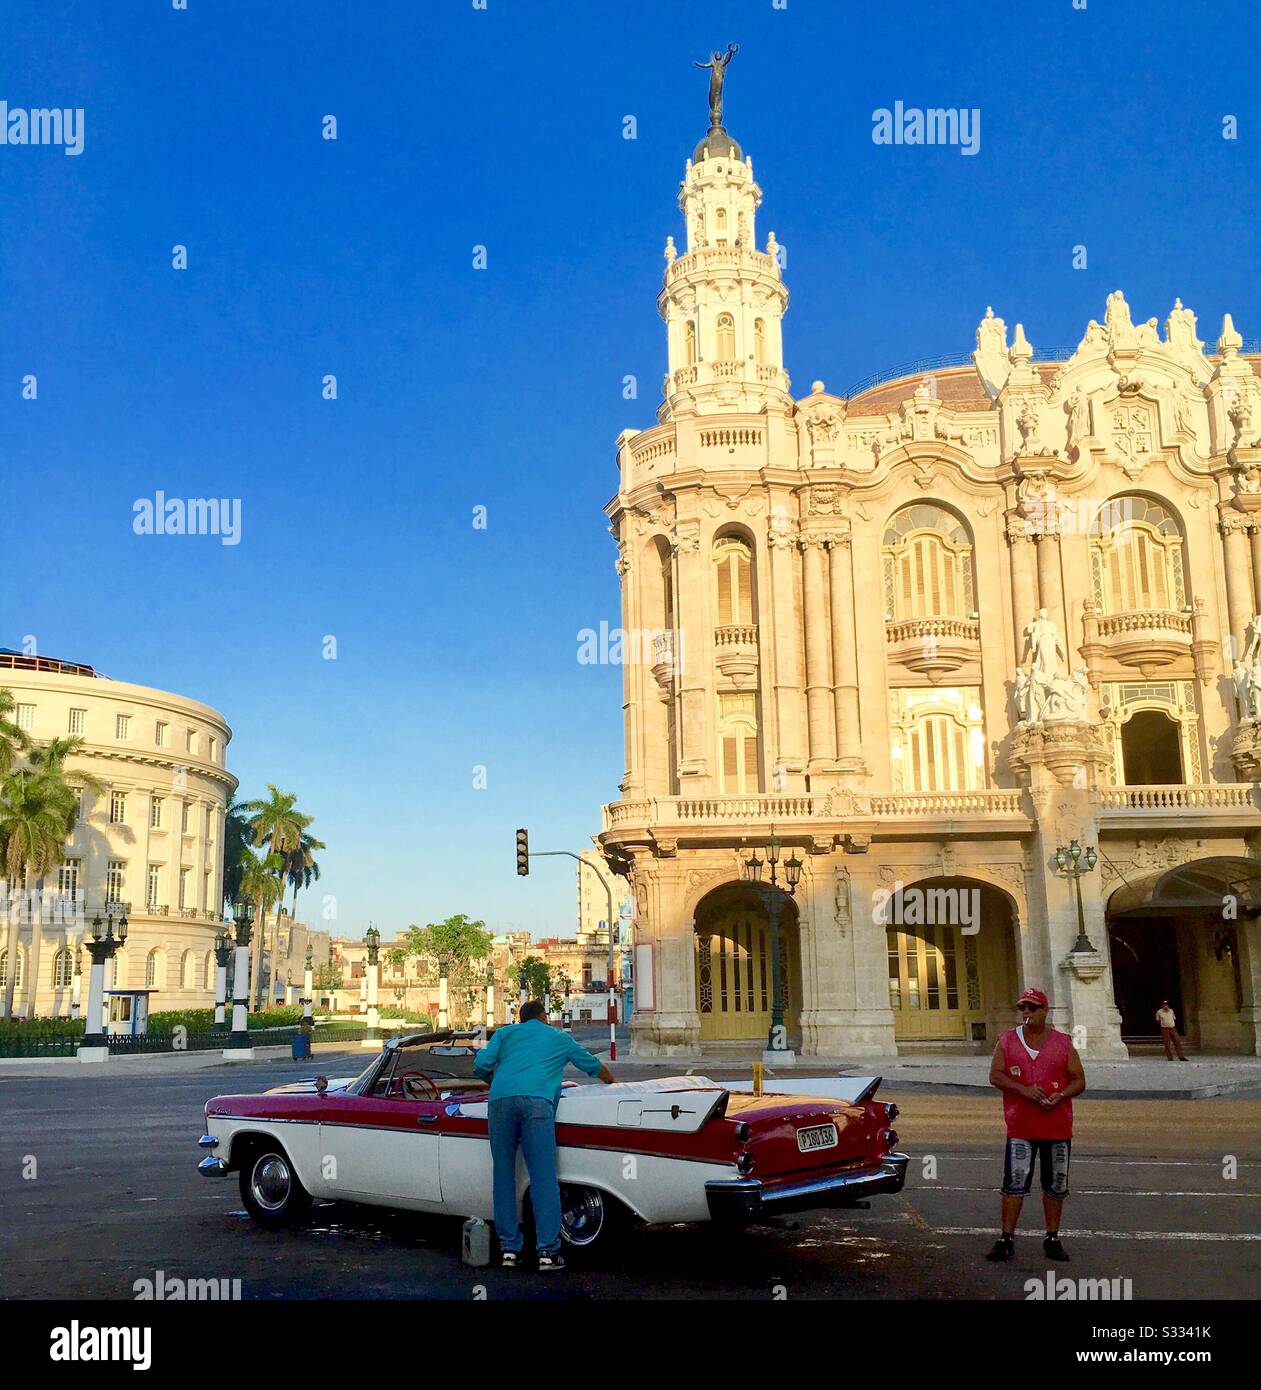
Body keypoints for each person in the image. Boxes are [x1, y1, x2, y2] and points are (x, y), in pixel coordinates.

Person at [473, 998, 615, 1271]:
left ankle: (509, 1251)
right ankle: (547, 1253)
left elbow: (481, 1065)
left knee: (503, 1175)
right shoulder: (557, 1037)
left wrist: (498, 1083)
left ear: (520, 1017)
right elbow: (593, 1066)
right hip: (538, 1104)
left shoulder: (505, 1033)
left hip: (500, 1102)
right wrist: (614, 1083)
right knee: (543, 1177)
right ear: (543, 1017)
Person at [985, 988, 1086, 1264]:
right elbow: (995, 1075)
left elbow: (1079, 1080)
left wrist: (1062, 1094)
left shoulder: (1063, 1043)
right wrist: (1023, 1090)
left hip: (1057, 1127)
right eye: (1022, 1008)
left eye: (1032, 1008)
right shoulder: (1007, 1041)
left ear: (1045, 1011)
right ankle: (1006, 1238)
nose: (1026, 1013)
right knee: (1014, 1183)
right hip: (1021, 1127)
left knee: (1055, 1184)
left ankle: (1052, 1237)